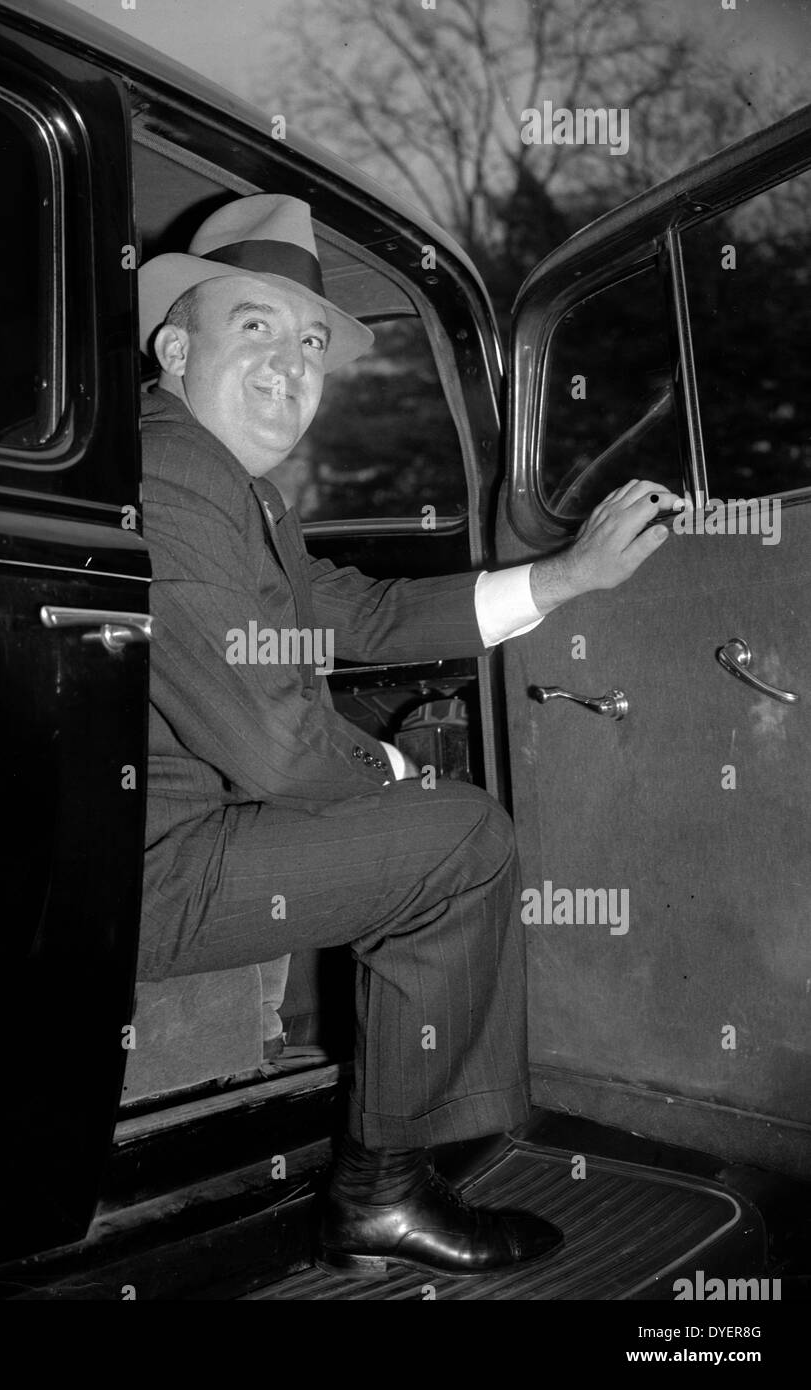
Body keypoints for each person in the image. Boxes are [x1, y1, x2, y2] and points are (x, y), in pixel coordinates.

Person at [135, 193, 683, 1280]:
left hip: (176, 833)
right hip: (155, 870)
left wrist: (561, 577)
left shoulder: (236, 491)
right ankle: (382, 1190)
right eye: (255, 327)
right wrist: (386, 765)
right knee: (461, 840)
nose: (292, 363)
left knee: (426, 821)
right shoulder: (176, 475)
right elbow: (283, 756)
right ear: (173, 344)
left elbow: (367, 613)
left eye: (307, 343)